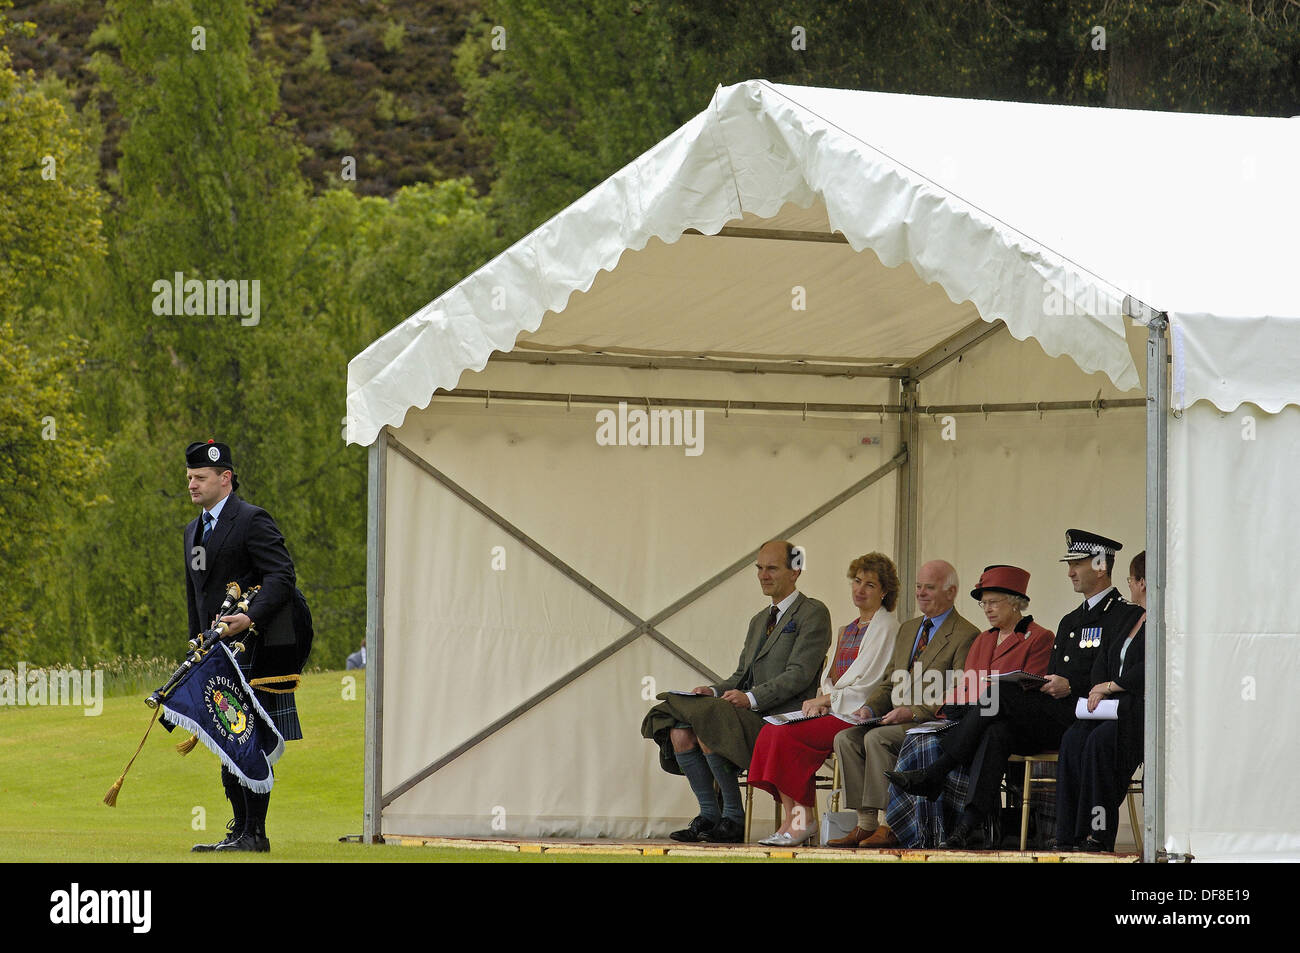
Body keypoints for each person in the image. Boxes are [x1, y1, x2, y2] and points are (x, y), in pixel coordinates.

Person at [909, 530, 1143, 849]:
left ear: (1101, 566)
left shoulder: (1124, 614)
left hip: (1085, 712)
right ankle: (968, 826)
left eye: (1078, 563)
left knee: (999, 694)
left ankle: (939, 770)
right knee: (997, 732)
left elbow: (1114, 673)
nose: (1070, 571)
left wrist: (1071, 684)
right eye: (1070, 564)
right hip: (1057, 710)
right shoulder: (1071, 620)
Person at [641, 540, 832, 843]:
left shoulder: (813, 613)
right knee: (679, 729)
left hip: (785, 720)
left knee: (709, 723)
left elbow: (799, 675)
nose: (762, 575)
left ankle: (733, 817)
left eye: (771, 568)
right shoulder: (759, 620)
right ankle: (709, 815)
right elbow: (741, 676)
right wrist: (714, 690)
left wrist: (751, 698)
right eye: (759, 568)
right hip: (748, 718)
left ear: (796, 571)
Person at [184, 440, 313, 854]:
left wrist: (251, 616)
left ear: (225, 479)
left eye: (200, 478)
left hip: (257, 648)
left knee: (247, 736)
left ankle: (255, 834)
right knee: (228, 736)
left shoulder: (252, 520)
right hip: (218, 652)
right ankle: (239, 831)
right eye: (189, 478)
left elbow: (281, 575)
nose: (192, 484)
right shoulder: (194, 530)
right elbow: (198, 595)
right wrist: (195, 646)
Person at [882, 565, 1053, 847]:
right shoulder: (983, 639)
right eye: (983, 603)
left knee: (995, 717)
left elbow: (1029, 693)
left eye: (993, 602)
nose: (986, 609)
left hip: (1019, 725)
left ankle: (935, 779)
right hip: (979, 723)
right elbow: (966, 687)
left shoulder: (1039, 637)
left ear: (1015, 603)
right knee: (926, 740)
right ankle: (947, 829)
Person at [747, 553, 901, 846]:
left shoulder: (886, 627)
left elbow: (872, 684)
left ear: (884, 591)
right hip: (834, 707)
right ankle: (792, 819)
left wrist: (828, 700)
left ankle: (802, 821)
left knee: (786, 737)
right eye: (857, 581)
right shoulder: (849, 628)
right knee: (770, 730)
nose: (860, 589)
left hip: (858, 714)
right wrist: (825, 696)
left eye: (870, 584)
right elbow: (831, 676)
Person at [827, 560, 981, 848]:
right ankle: (866, 824)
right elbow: (889, 680)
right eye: (919, 587)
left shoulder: (965, 634)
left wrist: (911, 711)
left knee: (877, 739)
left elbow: (959, 692)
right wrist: (869, 708)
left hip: (932, 722)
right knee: (845, 738)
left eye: (930, 588)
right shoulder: (909, 629)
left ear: (951, 592)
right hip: (895, 717)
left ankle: (891, 823)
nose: (921, 593)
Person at [1055, 550, 1147, 851]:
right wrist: (1098, 686)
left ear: (1143, 583)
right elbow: (1104, 658)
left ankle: (1097, 832)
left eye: (1131, 581)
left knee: (1099, 744)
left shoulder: (1158, 621)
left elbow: (1149, 667)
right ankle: (1067, 833)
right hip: (1110, 707)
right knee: (1072, 740)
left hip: (1135, 711)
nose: (1129, 586)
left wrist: (1110, 685)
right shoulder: (1131, 618)